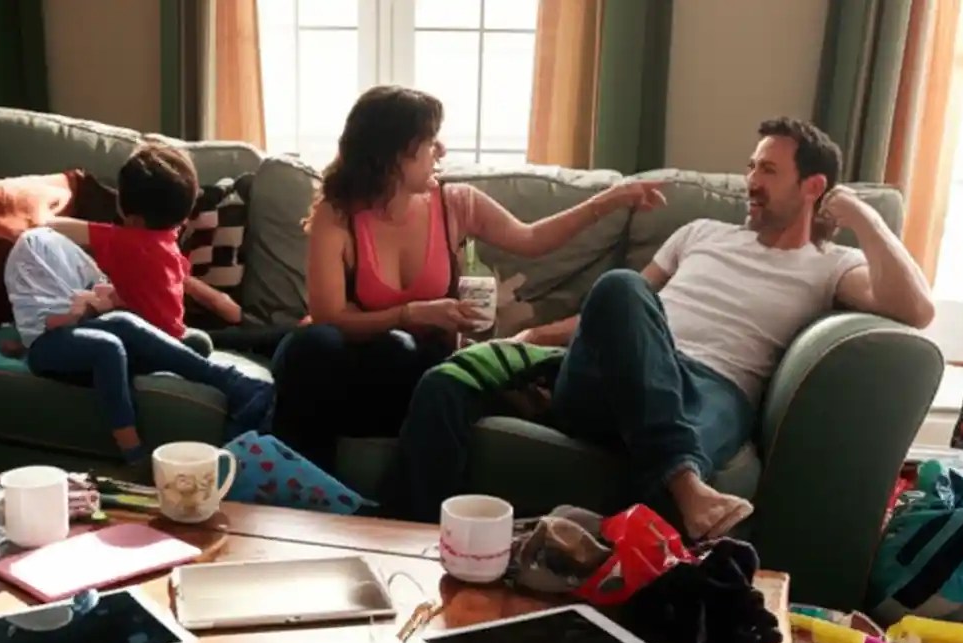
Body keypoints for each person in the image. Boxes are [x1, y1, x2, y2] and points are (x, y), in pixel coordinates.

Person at [396, 117, 935, 539]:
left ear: (814, 186)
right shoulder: (698, 232)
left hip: (710, 390)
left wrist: (866, 218)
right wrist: (534, 339)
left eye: (768, 171)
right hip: (614, 376)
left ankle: (642, 500)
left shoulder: (832, 263)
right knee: (615, 290)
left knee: (658, 371)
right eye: (752, 166)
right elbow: (616, 312)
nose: (751, 181)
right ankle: (684, 485)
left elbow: (916, 310)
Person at [269, 84, 666, 472]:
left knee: (406, 354)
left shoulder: (455, 203)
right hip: (344, 367)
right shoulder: (337, 215)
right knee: (311, 346)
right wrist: (410, 313)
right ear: (392, 155)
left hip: (416, 372)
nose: (441, 151)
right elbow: (328, 318)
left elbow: (532, 239)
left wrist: (610, 199)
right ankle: (302, 490)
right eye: (429, 141)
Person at [4, 227, 272, 469]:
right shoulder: (31, 247)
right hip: (46, 344)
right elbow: (46, 320)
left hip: (78, 329)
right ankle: (135, 455)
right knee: (108, 347)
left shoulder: (56, 242)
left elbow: (99, 292)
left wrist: (103, 301)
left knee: (127, 323)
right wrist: (87, 308)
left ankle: (235, 383)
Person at [43, 142, 243, 357]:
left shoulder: (125, 239)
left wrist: (42, 214)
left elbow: (53, 227)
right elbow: (186, 285)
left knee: (86, 320)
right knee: (199, 340)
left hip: (138, 338)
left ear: (134, 219)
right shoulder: (169, 239)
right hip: (172, 334)